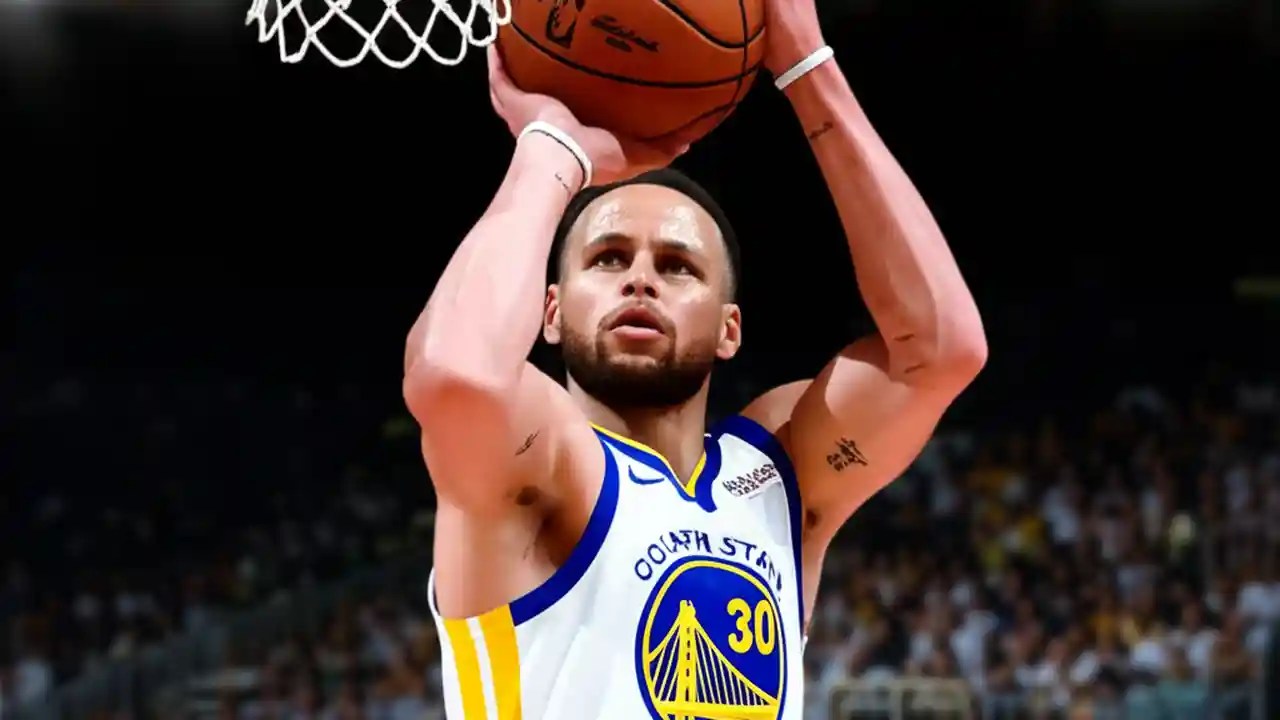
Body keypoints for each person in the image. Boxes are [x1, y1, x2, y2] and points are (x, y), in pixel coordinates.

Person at [402, 2, 987, 717]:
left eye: (678, 266)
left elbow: (943, 351)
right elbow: (454, 374)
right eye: (608, 258)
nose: (639, 278)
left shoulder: (776, 472)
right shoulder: (538, 464)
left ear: (728, 328)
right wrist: (552, 151)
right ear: (548, 312)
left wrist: (808, 69)